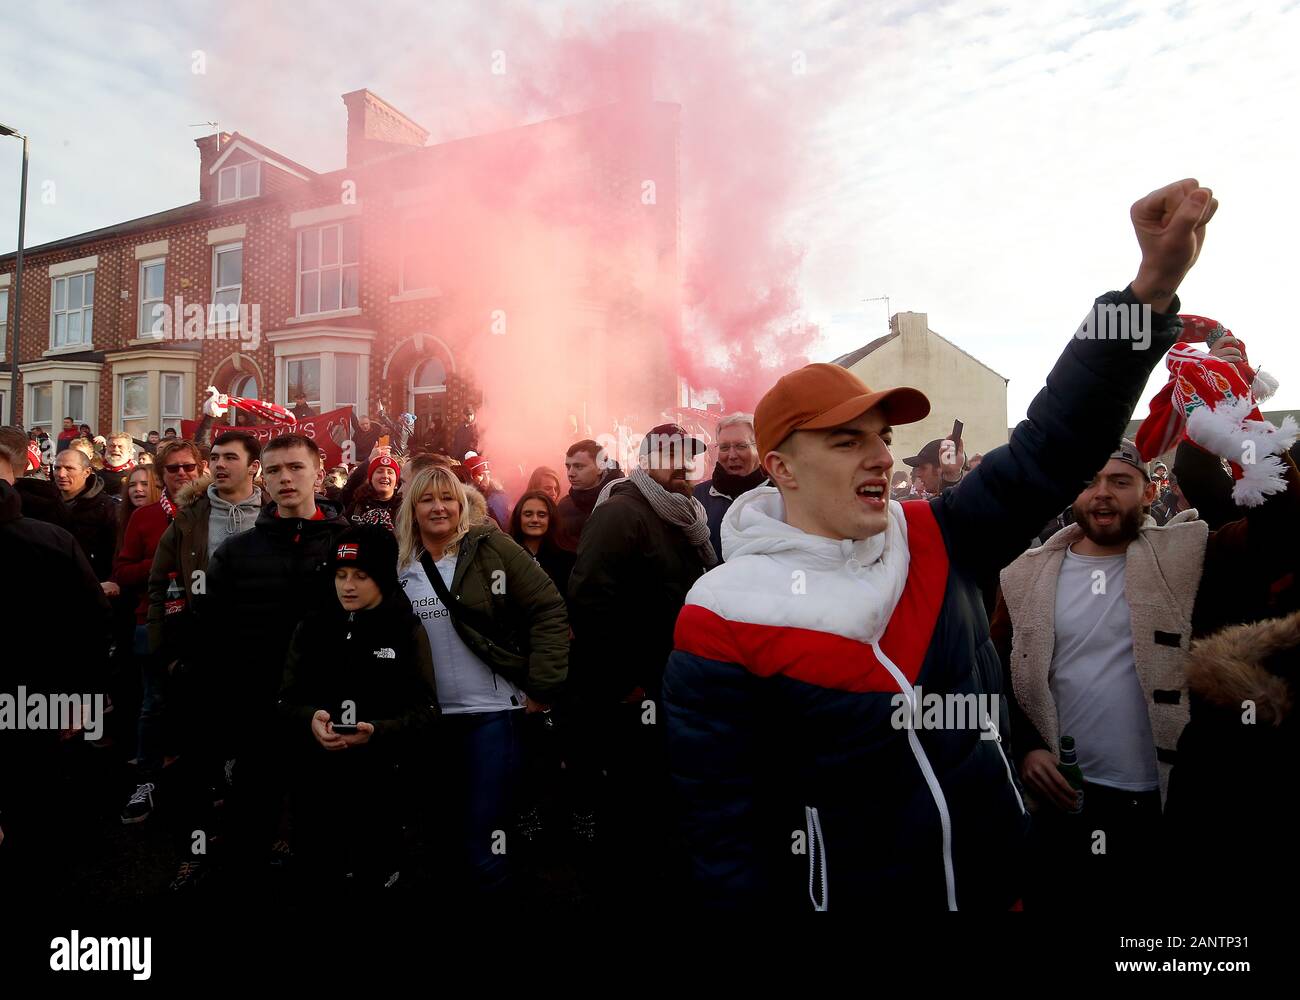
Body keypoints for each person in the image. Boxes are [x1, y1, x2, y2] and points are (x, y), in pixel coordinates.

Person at [661, 177, 1220, 911]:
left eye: (882, 439)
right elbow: (723, 828)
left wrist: (1149, 289)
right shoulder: (721, 614)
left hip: (1004, 894)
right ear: (781, 467)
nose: (881, 458)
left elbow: (1057, 440)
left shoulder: (939, 534)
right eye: (846, 440)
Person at [994, 439, 1298, 912]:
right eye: (1090, 481)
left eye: (1120, 481)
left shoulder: (1191, 553)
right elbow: (1001, 671)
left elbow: (1280, 527)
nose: (1102, 494)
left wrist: (1224, 419)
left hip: (1166, 798)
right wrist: (1028, 745)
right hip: (1064, 800)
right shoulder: (1023, 575)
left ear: (1149, 490)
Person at [396, 463, 567, 900]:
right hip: (431, 722)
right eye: (427, 499)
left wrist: (542, 688)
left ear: (461, 505)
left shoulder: (491, 549)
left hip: (493, 716)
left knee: (484, 840)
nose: (439, 507)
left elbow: (548, 608)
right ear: (412, 509)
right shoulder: (401, 569)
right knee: (438, 836)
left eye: (448, 498)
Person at [566, 423, 716, 884]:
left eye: (689, 456)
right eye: (671, 455)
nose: (682, 467)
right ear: (648, 458)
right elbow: (589, 600)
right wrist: (622, 683)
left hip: (677, 681)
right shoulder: (622, 511)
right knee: (636, 797)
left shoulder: (685, 514)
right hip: (636, 690)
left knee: (666, 792)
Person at [202, 434, 347, 886]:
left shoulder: (354, 545)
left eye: (296, 468)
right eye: (276, 470)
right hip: (257, 710)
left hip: (330, 707)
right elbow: (214, 636)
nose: (286, 479)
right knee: (250, 826)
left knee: (324, 829)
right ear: (263, 477)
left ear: (319, 474)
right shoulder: (237, 552)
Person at [279, 525, 439, 892]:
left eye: (360, 576)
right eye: (341, 575)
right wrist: (311, 719)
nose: (347, 585)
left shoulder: (405, 628)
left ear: (381, 577)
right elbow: (284, 700)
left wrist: (377, 731)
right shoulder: (313, 626)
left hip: (383, 791)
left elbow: (428, 710)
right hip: (317, 788)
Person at [0, 426, 112, 898]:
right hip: (38, 702)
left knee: (37, 805)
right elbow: (91, 625)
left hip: (37, 699)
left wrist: (79, 699)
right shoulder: (52, 539)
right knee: (37, 807)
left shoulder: (50, 538)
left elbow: (87, 626)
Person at [693, 413, 769, 564]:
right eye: (724, 447)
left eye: (741, 446)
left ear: (760, 448)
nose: (732, 455)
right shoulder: (696, 498)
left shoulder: (781, 495)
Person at [52, 447, 118, 581]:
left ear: (86, 472)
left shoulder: (106, 508)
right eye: (57, 468)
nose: (61, 474)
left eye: (69, 468)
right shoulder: (45, 502)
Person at [555, 439, 624, 552]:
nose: (570, 473)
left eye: (579, 466)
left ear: (600, 467)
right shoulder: (564, 506)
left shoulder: (622, 502)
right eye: (568, 467)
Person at [509, 490, 575, 598]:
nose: (535, 519)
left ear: (551, 519)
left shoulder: (567, 560)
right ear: (518, 518)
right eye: (528, 514)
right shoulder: (505, 556)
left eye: (542, 514)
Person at [344, 453, 402, 531]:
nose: (385, 476)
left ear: (396, 482)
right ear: (371, 479)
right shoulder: (357, 507)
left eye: (390, 472)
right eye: (380, 471)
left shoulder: (404, 507)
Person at [462, 452, 508, 528]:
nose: (486, 479)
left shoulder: (496, 499)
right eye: (480, 475)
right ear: (470, 478)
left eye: (488, 474)